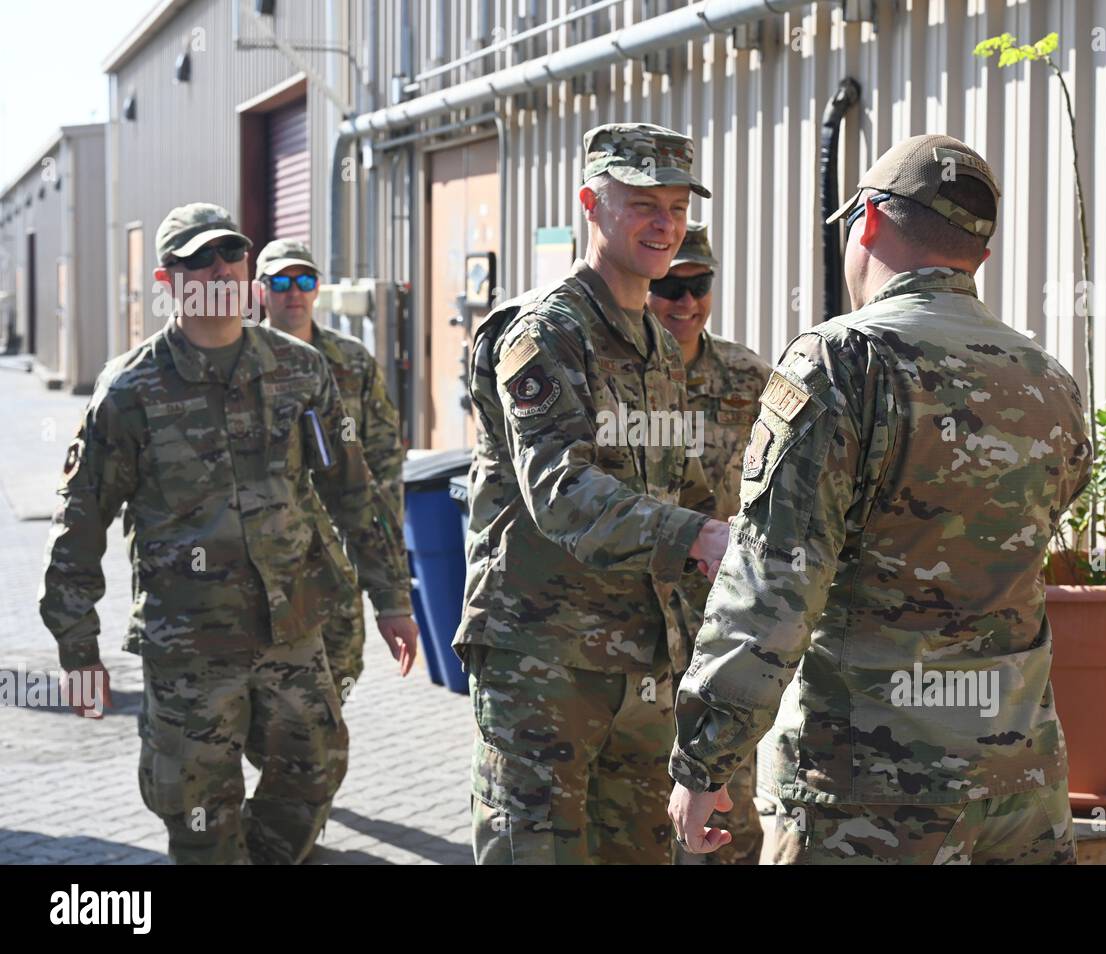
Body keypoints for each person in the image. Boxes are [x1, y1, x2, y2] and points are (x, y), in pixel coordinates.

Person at [668, 135, 1093, 864]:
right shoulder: (1049, 380)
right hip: (1019, 788)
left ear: (866, 220)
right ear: (979, 254)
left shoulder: (839, 362)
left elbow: (772, 582)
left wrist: (704, 762)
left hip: (866, 795)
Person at [39, 202, 418, 864]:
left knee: (315, 774)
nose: (217, 269)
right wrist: (78, 650)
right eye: (196, 259)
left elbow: (353, 491)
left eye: (229, 253)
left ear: (248, 266)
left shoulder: (301, 371)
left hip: (293, 632)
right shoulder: (130, 391)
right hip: (189, 650)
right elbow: (79, 522)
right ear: (167, 281)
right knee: (198, 819)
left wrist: (392, 599)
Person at [455, 123, 729, 864]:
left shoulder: (660, 348)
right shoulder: (545, 333)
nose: (665, 222)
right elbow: (562, 492)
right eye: (642, 201)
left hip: (641, 663)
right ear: (591, 203)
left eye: (676, 204)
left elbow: (690, 487)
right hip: (545, 664)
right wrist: (697, 538)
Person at [646, 221, 770, 865]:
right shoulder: (615, 380)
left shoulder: (751, 378)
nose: (685, 303)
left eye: (699, 285)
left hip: (718, 620)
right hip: (634, 616)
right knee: (639, 796)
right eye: (669, 287)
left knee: (728, 794)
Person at [256, 238, 404, 700]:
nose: (292, 292)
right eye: (280, 282)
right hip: (269, 562)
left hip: (338, 554)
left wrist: (383, 559)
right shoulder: (241, 363)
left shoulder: (350, 360)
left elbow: (383, 458)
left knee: (338, 676)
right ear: (261, 291)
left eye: (304, 280)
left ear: (318, 288)